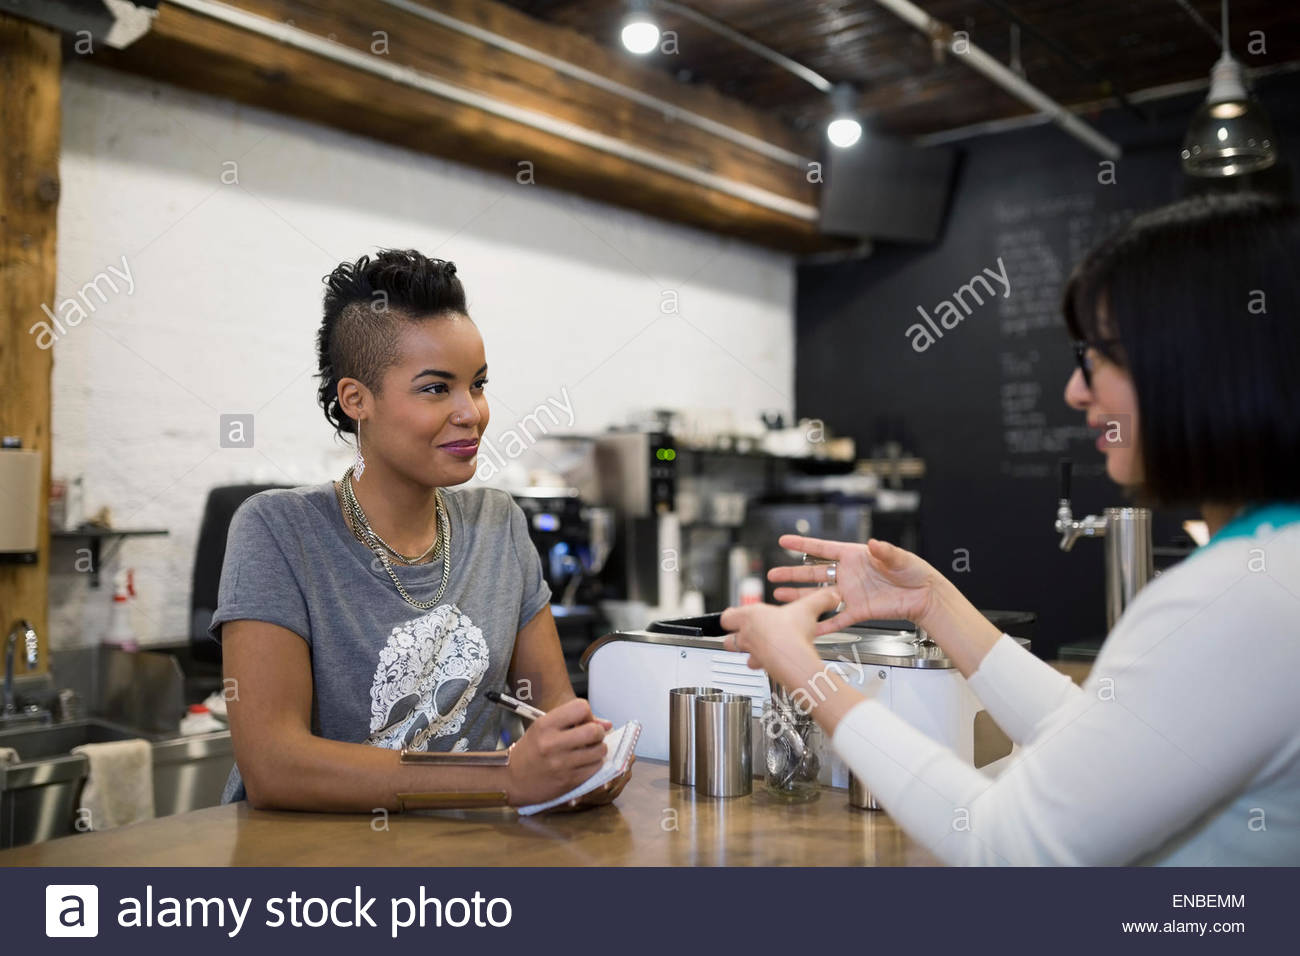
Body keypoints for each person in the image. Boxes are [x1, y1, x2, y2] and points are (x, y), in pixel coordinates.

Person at [721, 192, 1300, 865]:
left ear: (1199, 365)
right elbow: (1087, 735)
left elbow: (1007, 847)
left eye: (1099, 358)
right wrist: (932, 603)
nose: (1076, 392)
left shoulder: (1237, 599)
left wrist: (801, 668)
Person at [211, 249, 631, 812]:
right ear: (356, 400)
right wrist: (505, 776)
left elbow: (550, 709)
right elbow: (274, 765)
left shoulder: (497, 524)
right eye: (436, 389)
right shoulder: (278, 531)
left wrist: (580, 754)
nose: (471, 413)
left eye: (477, 385)